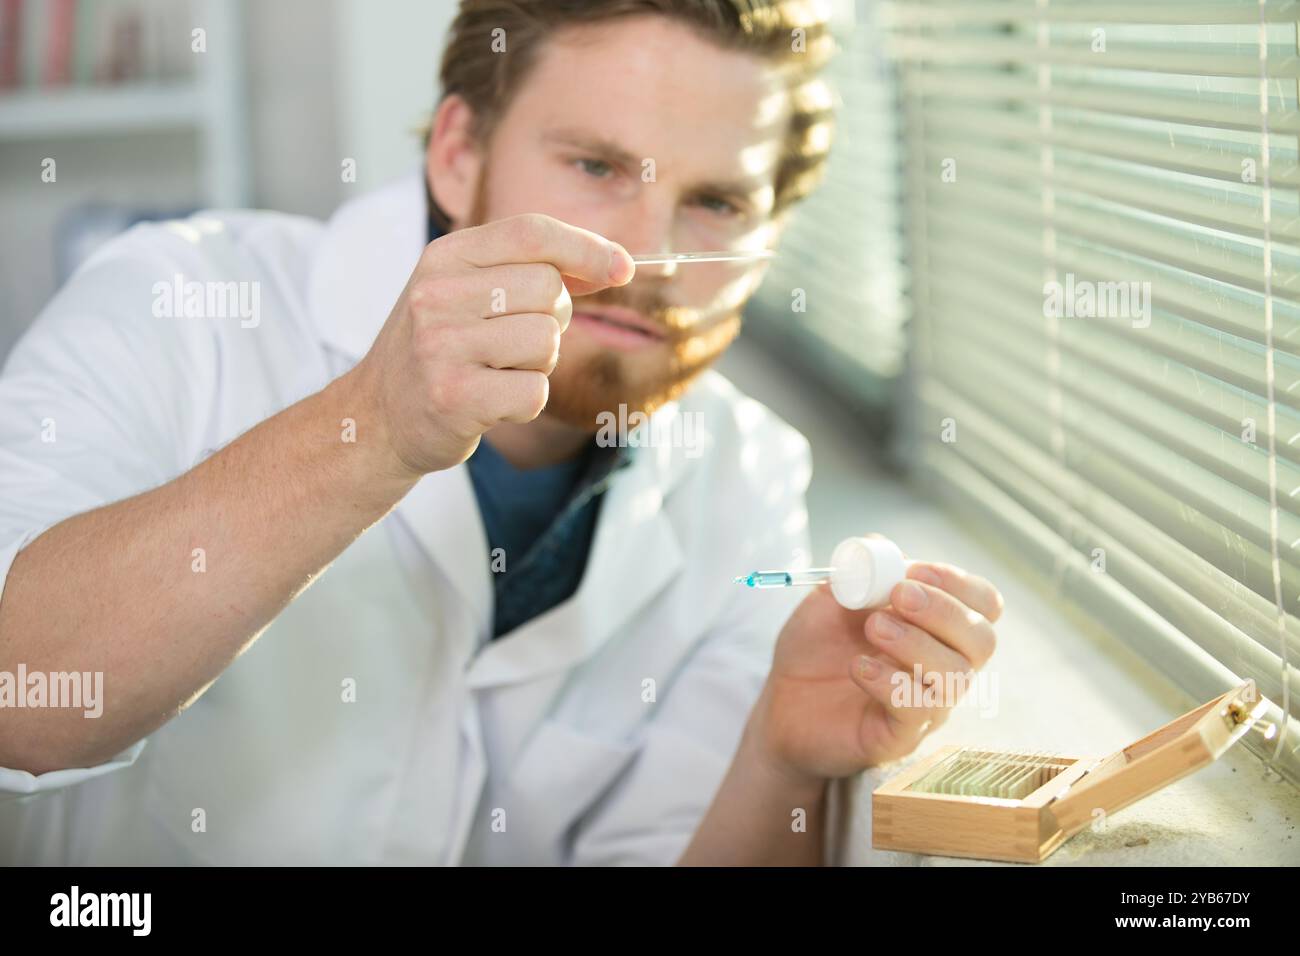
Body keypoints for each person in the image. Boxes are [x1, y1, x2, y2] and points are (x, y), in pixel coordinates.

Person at [0, 0, 1002, 865]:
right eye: (597, 165)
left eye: (715, 202)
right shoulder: (173, 303)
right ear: (457, 151)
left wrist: (779, 759)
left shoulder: (745, 480)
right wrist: (375, 427)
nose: (648, 257)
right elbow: (20, 696)